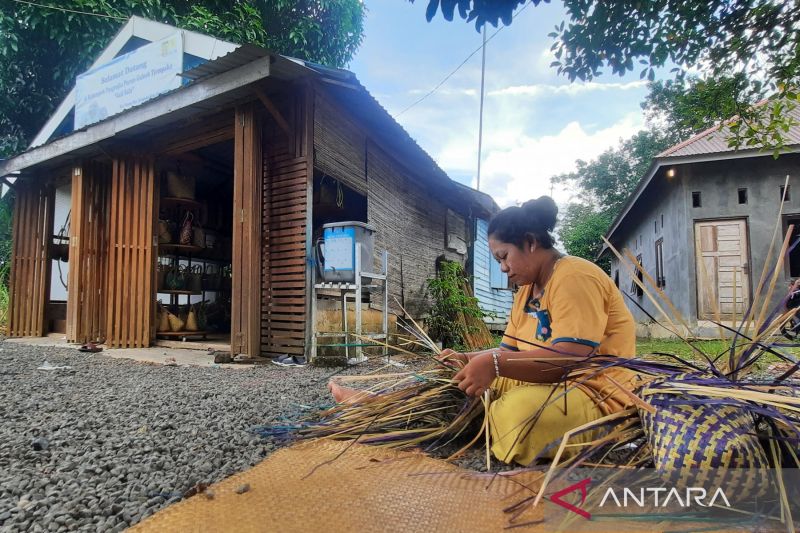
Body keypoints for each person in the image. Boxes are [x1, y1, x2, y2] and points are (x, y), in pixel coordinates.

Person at [330, 196, 640, 466]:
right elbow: (508, 352)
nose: (503, 268)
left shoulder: (575, 276)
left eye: (504, 257)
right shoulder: (527, 290)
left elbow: (571, 359)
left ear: (531, 242)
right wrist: (468, 357)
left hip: (593, 391)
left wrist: (493, 365)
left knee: (515, 416)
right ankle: (381, 406)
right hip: (547, 380)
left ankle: (462, 422)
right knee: (457, 375)